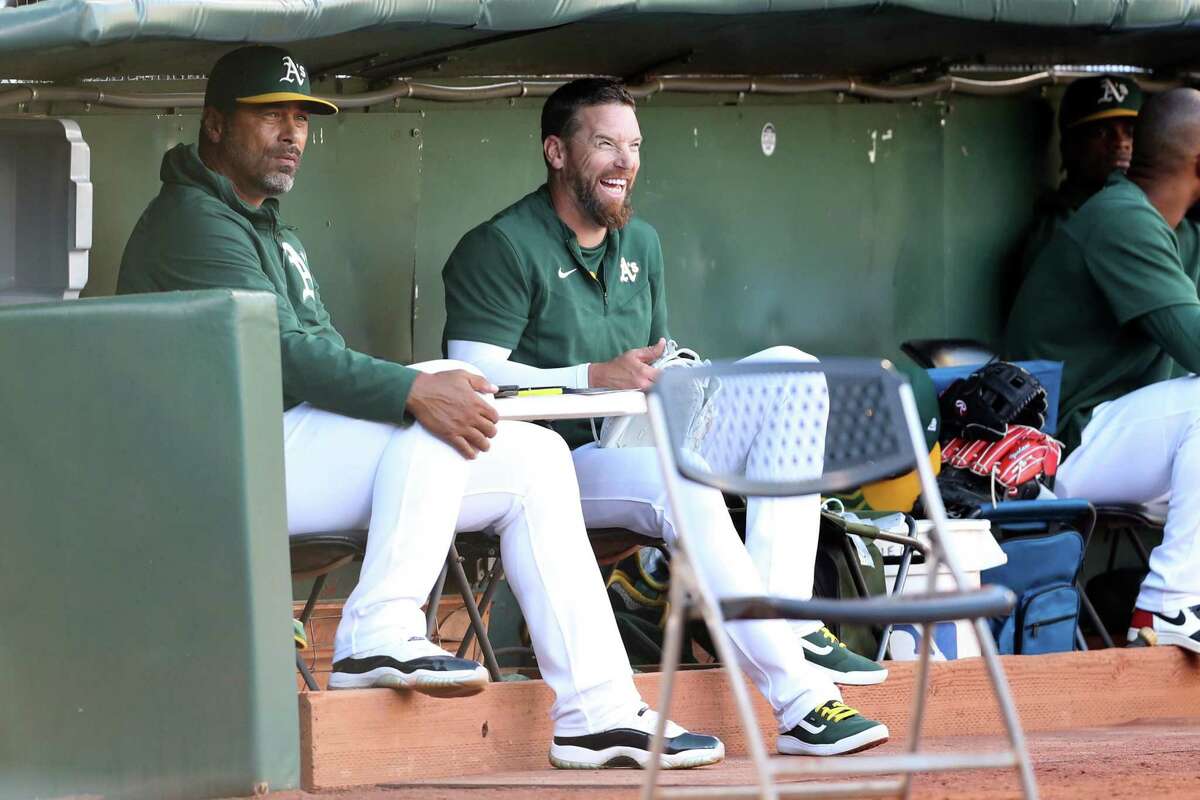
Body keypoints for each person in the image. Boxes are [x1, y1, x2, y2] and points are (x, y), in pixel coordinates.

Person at [115, 46, 724, 770]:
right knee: (443, 385)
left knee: (534, 459)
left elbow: (316, 356)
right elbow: (288, 358)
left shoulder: (263, 222)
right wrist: (413, 389)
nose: (292, 133)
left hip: (275, 447)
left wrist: (421, 391)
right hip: (215, 468)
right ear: (215, 125)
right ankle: (376, 627)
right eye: (269, 115)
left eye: (302, 118)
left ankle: (597, 710)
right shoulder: (194, 220)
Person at [442, 78, 890, 757]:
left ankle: (784, 614)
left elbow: (645, 362)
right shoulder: (500, 245)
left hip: (630, 430)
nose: (625, 161)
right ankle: (801, 703)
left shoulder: (641, 243)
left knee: (791, 371)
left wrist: (668, 373)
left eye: (634, 145)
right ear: (556, 152)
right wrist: (592, 377)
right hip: (551, 463)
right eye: (605, 144)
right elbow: (473, 382)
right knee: (683, 482)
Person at [1006, 88, 1200, 654]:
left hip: (1114, 439)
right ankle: (1166, 604)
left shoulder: (1168, 228)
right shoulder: (1121, 221)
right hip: (1053, 447)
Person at [1012, 74, 1142, 289]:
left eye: (1131, 132)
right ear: (1069, 147)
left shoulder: (1148, 212)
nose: (1121, 143)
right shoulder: (1062, 231)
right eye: (1101, 132)